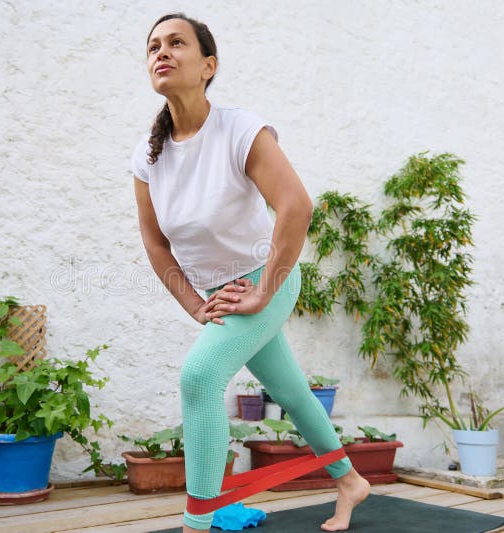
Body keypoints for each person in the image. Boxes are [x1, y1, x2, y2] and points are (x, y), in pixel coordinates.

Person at [131, 13, 370, 533]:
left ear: (208, 65)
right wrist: (195, 303)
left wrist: (264, 292)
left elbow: (296, 207)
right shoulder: (148, 157)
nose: (162, 52)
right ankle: (350, 479)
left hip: (267, 280)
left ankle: (203, 518)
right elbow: (154, 241)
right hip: (221, 294)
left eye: (176, 43)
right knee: (291, 392)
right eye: (153, 46)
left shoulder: (240, 128)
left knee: (199, 377)